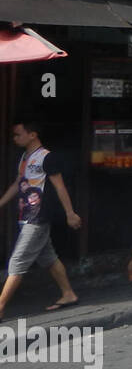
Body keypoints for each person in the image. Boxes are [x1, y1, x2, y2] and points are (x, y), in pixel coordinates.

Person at [0, 119, 83, 319]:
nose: (15, 138)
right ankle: (68, 293)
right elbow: (17, 184)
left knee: (18, 261)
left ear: (32, 135)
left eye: (18, 134)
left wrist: (70, 213)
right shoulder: (24, 158)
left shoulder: (46, 157)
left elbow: (60, 187)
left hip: (38, 217)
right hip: (26, 215)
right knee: (48, 257)